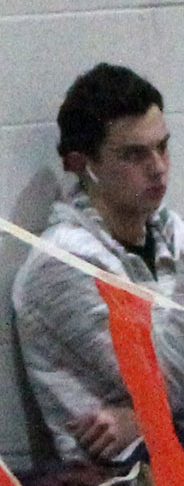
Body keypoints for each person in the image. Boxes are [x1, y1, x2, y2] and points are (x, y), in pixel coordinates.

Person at [13, 63, 184, 476]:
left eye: (162, 147)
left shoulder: (169, 230)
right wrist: (148, 416)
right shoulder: (61, 265)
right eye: (134, 155)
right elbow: (162, 378)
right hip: (118, 472)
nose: (158, 167)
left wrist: (138, 419)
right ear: (81, 163)